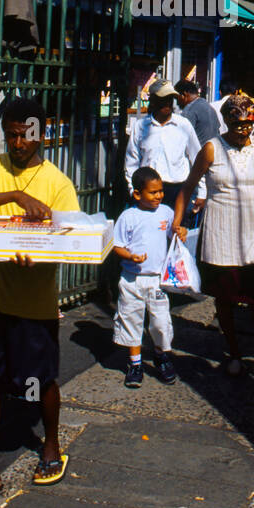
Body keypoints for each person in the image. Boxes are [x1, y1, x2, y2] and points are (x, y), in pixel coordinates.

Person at [0, 97, 79, 500]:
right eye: (11, 135)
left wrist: (38, 259)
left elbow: (70, 241)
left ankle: (51, 446)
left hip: (32, 301)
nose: (19, 143)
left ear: (41, 133)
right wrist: (14, 197)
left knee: (39, 379)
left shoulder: (58, 182)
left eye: (26, 135)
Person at [174, 92, 254, 377]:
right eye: (238, 127)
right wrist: (177, 220)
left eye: (248, 125)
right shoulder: (211, 148)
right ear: (226, 123)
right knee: (225, 297)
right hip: (221, 234)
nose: (243, 132)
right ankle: (233, 350)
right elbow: (188, 187)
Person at [112, 166, 180, 388]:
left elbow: (175, 236)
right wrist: (131, 256)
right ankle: (135, 364)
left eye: (161, 191)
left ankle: (162, 357)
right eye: (153, 192)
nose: (159, 196)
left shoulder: (167, 213)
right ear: (138, 194)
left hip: (157, 279)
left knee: (161, 321)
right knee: (131, 319)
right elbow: (117, 245)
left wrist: (182, 232)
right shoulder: (128, 216)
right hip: (132, 278)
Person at [125, 80, 201, 209]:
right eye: (163, 98)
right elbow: (131, 161)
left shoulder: (183, 125)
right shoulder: (140, 127)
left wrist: (201, 192)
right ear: (153, 101)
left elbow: (198, 159)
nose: (167, 102)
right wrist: (133, 189)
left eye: (170, 98)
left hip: (177, 191)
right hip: (148, 192)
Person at [175, 79, 220, 148]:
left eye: (177, 98)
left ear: (184, 95)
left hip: (198, 156)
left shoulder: (190, 110)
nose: (177, 103)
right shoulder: (209, 107)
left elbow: (180, 140)